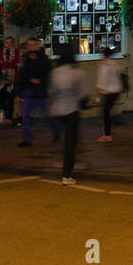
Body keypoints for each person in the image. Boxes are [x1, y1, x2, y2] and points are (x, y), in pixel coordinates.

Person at [48, 41, 86, 184]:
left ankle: (64, 163)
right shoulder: (77, 73)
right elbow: (81, 95)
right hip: (71, 110)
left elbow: (51, 91)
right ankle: (67, 174)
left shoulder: (54, 73)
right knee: (71, 143)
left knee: (66, 140)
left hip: (57, 110)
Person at [16, 37, 59, 147]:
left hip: (40, 91)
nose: (31, 47)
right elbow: (22, 76)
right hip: (29, 91)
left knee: (46, 116)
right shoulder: (26, 59)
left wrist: (40, 80)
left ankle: (56, 130)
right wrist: (19, 92)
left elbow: (49, 74)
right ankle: (27, 139)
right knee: (26, 116)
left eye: (33, 45)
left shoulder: (43, 59)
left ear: (37, 45)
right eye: (29, 45)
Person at [94, 46, 123, 143]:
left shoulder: (104, 65)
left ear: (103, 55)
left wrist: (97, 97)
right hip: (116, 91)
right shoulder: (114, 63)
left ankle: (107, 135)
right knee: (108, 112)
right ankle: (113, 129)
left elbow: (100, 83)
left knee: (106, 113)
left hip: (109, 93)